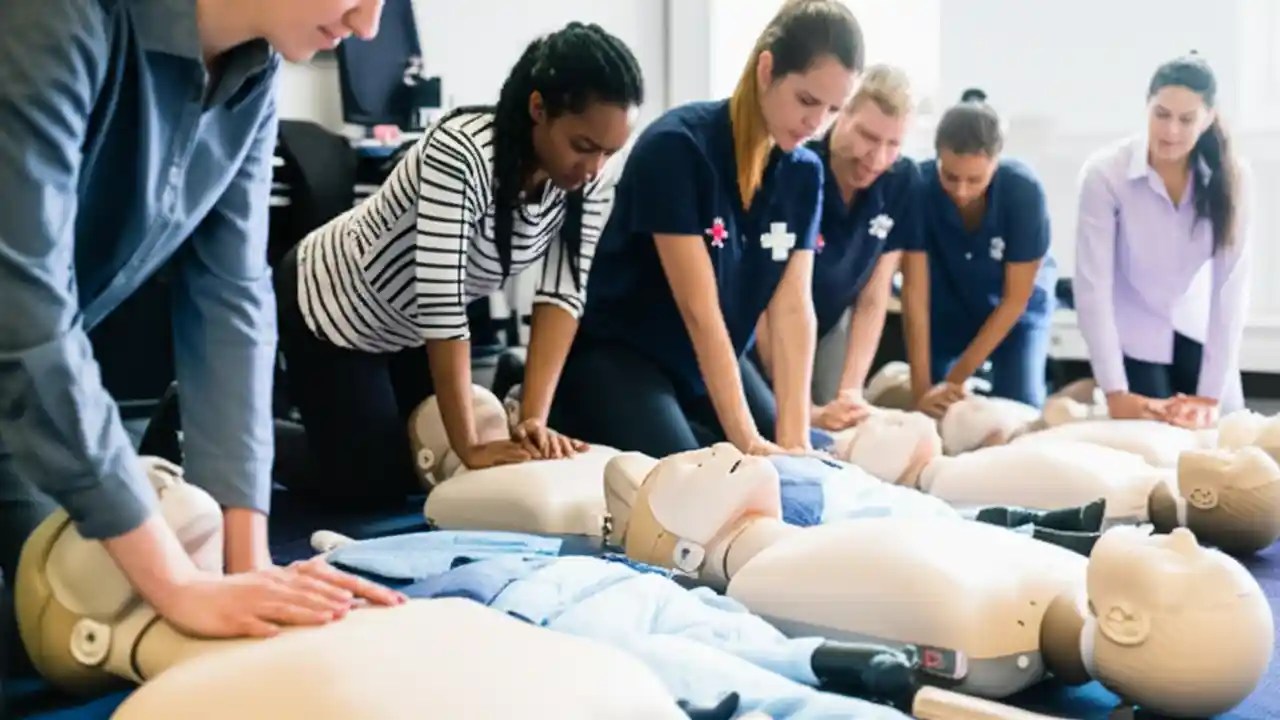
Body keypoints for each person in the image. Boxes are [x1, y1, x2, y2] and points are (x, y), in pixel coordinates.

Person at [0, 0, 404, 660]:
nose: (368, 27)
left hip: (24, 390)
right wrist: (179, 582)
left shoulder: (253, 68)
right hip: (24, 354)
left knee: (93, 602)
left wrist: (248, 565)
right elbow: (25, 315)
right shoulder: (58, 15)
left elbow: (228, 299)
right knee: (78, 622)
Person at [277, 22, 645, 506]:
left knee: (428, 467)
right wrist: (469, 445)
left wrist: (532, 419)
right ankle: (194, 425)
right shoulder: (463, 153)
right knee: (372, 487)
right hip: (336, 306)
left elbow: (562, 294)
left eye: (609, 152)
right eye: (583, 146)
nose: (595, 167)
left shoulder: (588, 179)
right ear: (538, 109)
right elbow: (440, 299)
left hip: (409, 331)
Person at [547, 0, 865, 458]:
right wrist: (748, 441)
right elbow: (700, 311)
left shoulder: (804, 174)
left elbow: (794, 310)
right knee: (703, 475)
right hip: (625, 355)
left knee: (800, 456)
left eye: (834, 110)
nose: (817, 123)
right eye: (807, 100)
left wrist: (793, 440)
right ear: (767, 69)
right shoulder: (677, 149)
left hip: (711, 362)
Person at [1074, 54, 1251, 428]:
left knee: (1225, 437)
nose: (1170, 131)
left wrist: (1211, 396)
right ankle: (1087, 391)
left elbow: (1230, 290)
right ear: (1147, 106)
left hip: (1197, 329)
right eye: (1161, 114)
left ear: (1208, 118)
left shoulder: (1232, 178)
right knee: (1150, 443)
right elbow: (1093, 288)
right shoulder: (1106, 174)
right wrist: (1114, 390)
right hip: (1134, 334)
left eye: (1186, 120)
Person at [750, 64, 923, 432]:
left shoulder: (902, 182)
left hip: (829, 329)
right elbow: (767, 300)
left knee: (841, 425)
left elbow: (874, 298)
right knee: (777, 424)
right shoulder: (796, 169)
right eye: (866, 136)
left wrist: (851, 391)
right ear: (841, 112)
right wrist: (801, 406)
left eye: (892, 145)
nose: (876, 158)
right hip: (761, 330)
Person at [903, 90, 1057, 417]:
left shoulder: (1023, 191)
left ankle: (1054, 388)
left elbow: (1015, 299)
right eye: (950, 176)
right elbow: (914, 296)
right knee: (935, 408)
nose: (961, 191)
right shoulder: (918, 186)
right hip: (948, 303)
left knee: (1020, 408)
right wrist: (921, 394)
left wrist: (957, 380)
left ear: (996, 163)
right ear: (937, 157)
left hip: (1016, 310)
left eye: (975, 179)